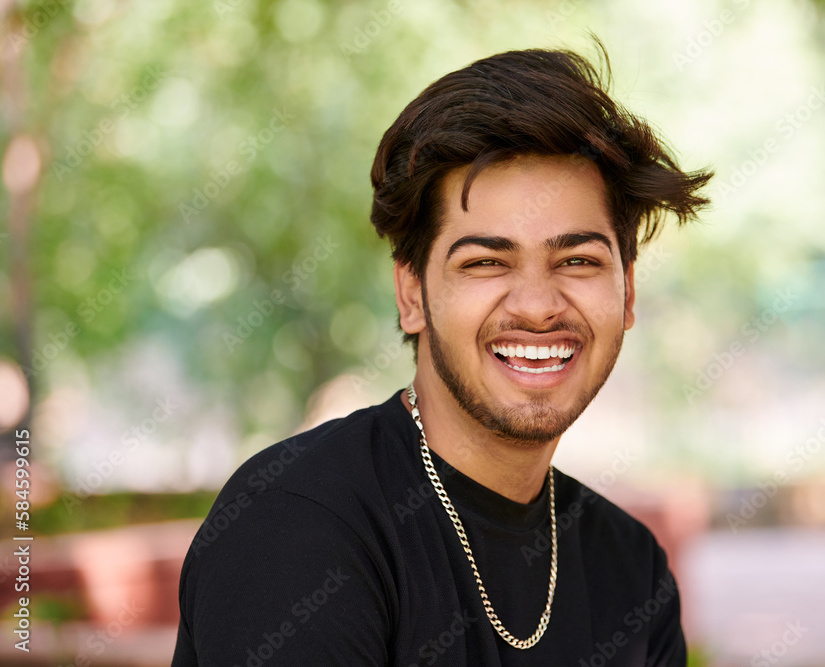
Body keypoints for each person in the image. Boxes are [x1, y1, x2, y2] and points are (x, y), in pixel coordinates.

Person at [171, 40, 710, 666]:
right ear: (412, 293)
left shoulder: (630, 571)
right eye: (485, 262)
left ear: (628, 291)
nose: (537, 306)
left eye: (578, 261)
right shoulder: (298, 529)